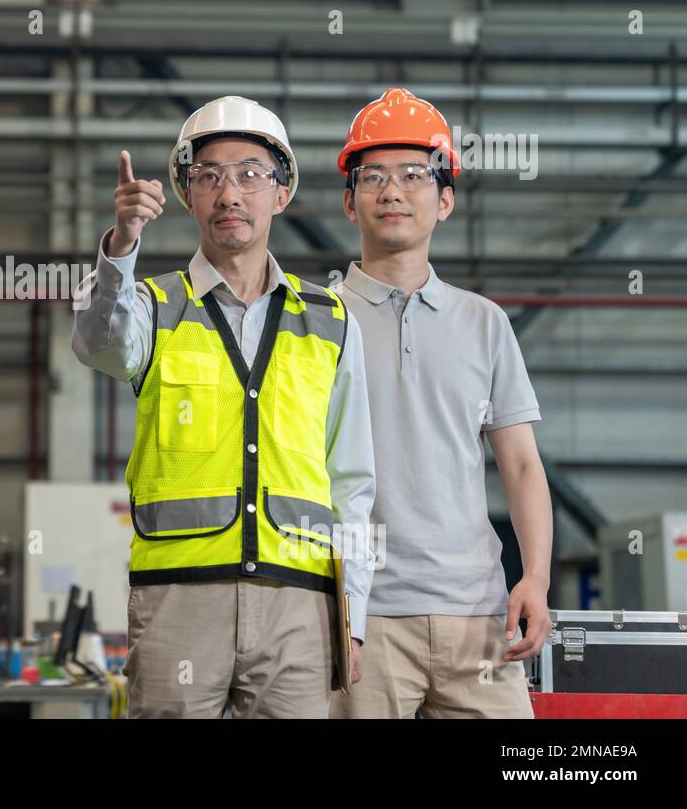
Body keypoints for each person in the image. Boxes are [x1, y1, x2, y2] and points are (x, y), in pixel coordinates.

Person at [72, 96, 376, 718]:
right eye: (208, 175)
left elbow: (352, 480)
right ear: (187, 194)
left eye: (249, 174)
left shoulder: (330, 318)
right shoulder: (153, 305)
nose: (228, 192)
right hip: (178, 599)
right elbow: (98, 344)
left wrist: (355, 612)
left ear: (281, 193)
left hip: (299, 603)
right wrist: (122, 248)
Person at [329, 87, 552, 719]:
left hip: (477, 618)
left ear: (445, 199)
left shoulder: (484, 324)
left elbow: (523, 467)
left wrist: (533, 576)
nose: (392, 191)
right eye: (372, 176)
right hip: (358, 618)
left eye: (413, 175)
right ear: (349, 201)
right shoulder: (315, 320)